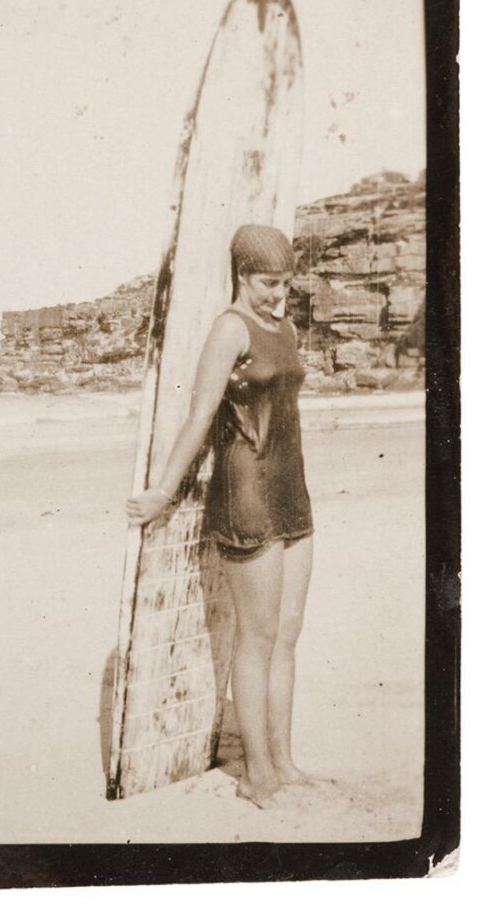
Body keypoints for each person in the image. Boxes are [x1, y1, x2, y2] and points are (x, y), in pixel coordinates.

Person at [125, 224, 314, 808]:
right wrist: (162, 490)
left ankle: (284, 761)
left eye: (284, 283)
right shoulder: (229, 330)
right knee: (256, 639)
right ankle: (258, 775)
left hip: (291, 489)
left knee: (286, 635)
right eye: (267, 283)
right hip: (246, 492)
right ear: (241, 275)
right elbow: (201, 415)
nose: (278, 295)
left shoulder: (282, 325)